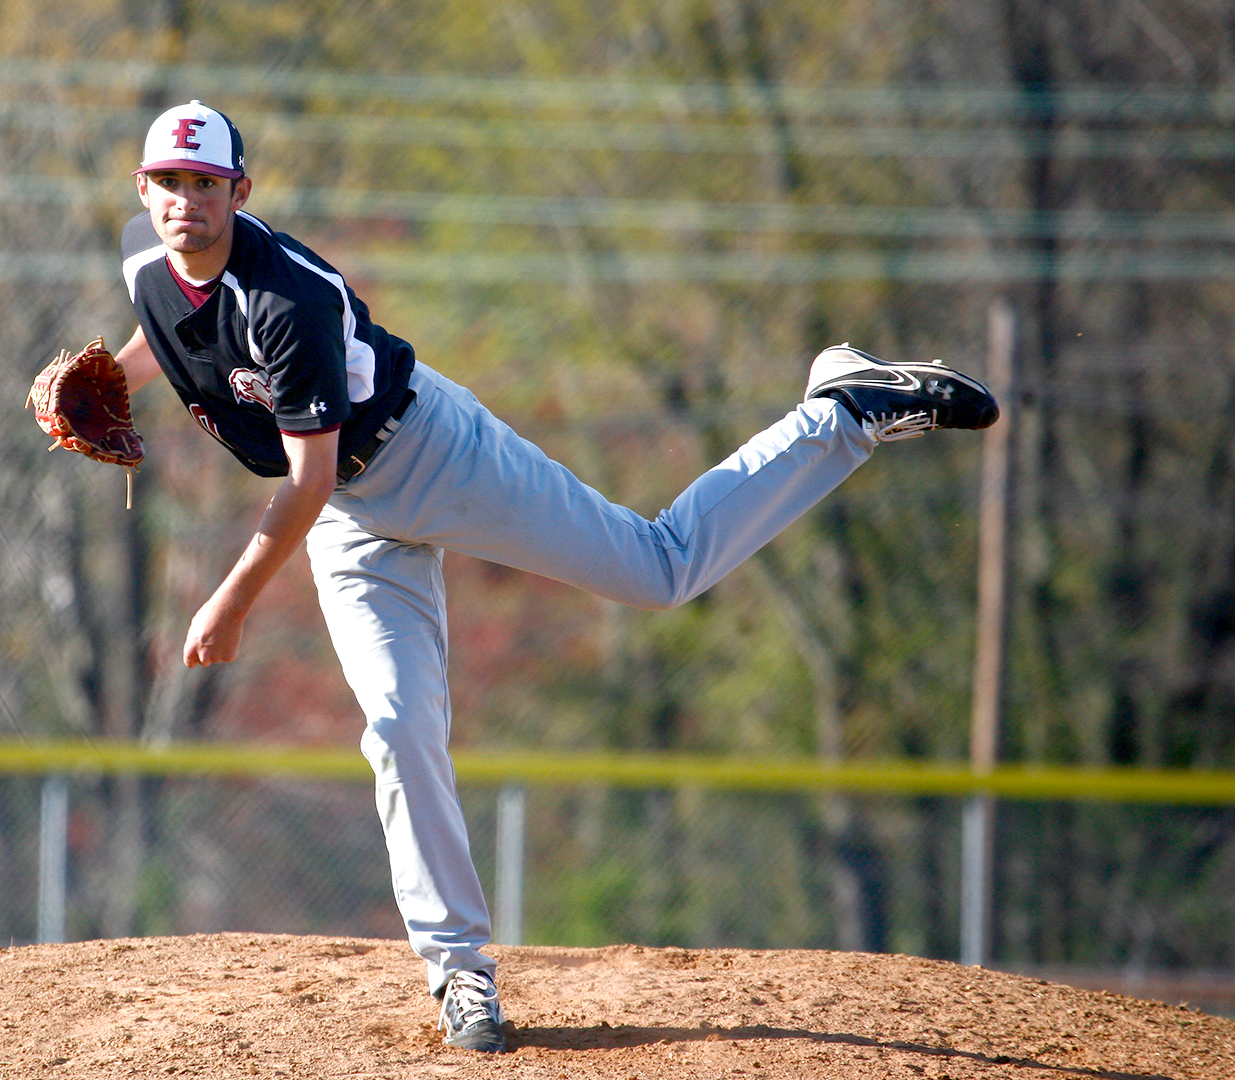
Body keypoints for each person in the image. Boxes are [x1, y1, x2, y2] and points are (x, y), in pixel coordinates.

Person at [103, 100, 997, 1053]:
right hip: (352, 527)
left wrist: (232, 598)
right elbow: (170, 331)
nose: (184, 202)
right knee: (400, 728)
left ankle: (842, 408)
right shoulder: (145, 265)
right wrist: (110, 380)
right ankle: (460, 974)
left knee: (660, 569)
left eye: (206, 184)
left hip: (428, 452)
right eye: (168, 183)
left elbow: (308, 473)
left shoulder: (287, 301)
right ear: (142, 190)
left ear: (240, 192)